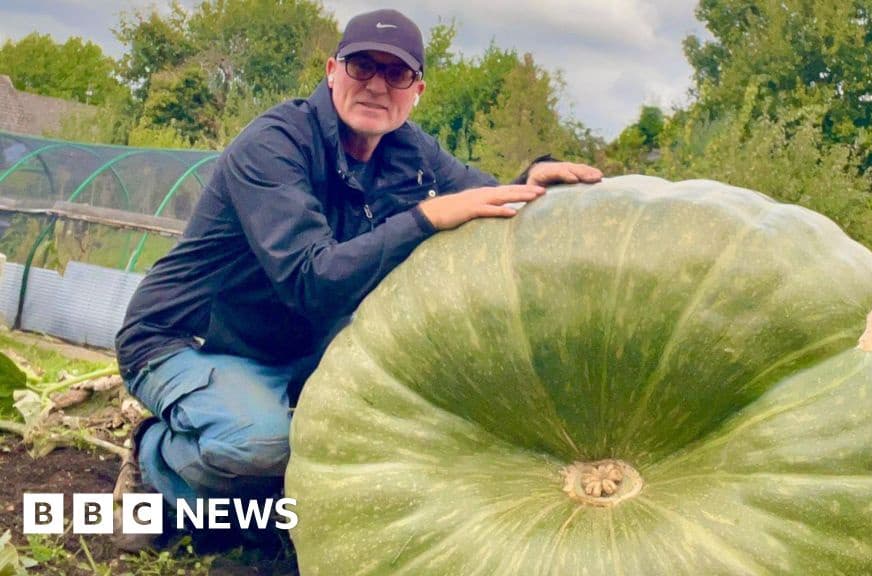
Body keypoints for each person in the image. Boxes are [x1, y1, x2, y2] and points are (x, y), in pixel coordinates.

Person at [112, 7, 602, 550]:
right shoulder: (274, 145)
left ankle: (245, 498)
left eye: (395, 74)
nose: (375, 85)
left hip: (294, 346)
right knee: (259, 445)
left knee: (383, 437)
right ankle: (157, 463)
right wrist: (422, 219)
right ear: (330, 70)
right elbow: (311, 279)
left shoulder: (413, 152)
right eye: (360, 66)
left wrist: (529, 180)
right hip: (189, 339)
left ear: (416, 90)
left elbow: (479, 203)